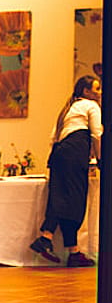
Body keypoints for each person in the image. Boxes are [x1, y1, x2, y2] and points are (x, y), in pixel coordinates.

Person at [30, 75, 102, 267]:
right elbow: (96, 133)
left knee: (59, 197)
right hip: (75, 154)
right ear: (86, 92)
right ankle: (58, 243)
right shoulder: (91, 105)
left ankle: (57, 243)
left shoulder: (67, 108)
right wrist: (101, 158)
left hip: (59, 154)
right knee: (76, 200)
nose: (99, 92)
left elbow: (53, 137)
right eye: (97, 88)